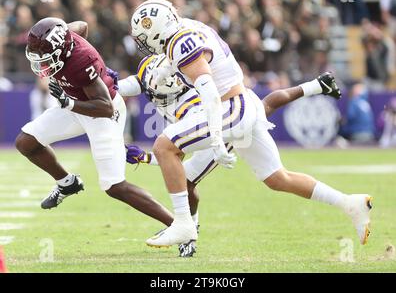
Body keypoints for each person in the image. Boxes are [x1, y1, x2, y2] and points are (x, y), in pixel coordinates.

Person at [130, 0, 373, 248]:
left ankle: (183, 224)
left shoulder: (180, 42)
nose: (144, 43)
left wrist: (216, 140)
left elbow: (210, 94)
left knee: (164, 146)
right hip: (245, 102)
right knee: (278, 178)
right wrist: (164, 71)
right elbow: (185, 60)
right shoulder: (186, 28)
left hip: (231, 107)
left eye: (144, 36)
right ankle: (349, 203)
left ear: (156, 28)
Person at [113, 54, 342, 256]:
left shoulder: (189, 105)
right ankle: (316, 85)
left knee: (186, 180)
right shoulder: (172, 75)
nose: (150, 93)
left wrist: (144, 158)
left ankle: (189, 234)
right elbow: (137, 82)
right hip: (242, 102)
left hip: (222, 130)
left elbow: (175, 155)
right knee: (266, 107)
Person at [15, 17, 173, 229]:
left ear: (61, 48)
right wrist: (71, 99)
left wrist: (69, 101)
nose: (42, 62)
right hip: (76, 104)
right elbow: (82, 25)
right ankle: (67, 183)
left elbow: (105, 107)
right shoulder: (67, 38)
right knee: (26, 142)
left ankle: (178, 224)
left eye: (45, 56)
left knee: (114, 186)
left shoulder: (80, 61)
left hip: (102, 113)